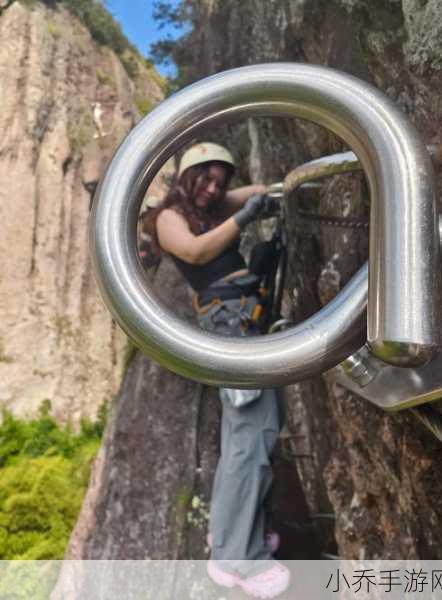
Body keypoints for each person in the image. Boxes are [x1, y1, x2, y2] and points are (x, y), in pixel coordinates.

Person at [150, 142, 290, 598]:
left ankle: (237, 533)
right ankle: (237, 558)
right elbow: (192, 252)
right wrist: (246, 217)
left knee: (258, 432)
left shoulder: (210, 204)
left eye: (219, 181)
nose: (213, 189)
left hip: (246, 323)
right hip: (230, 329)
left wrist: (281, 189)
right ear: (186, 179)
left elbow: (260, 189)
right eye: (204, 179)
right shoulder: (170, 217)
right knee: (249, 439)